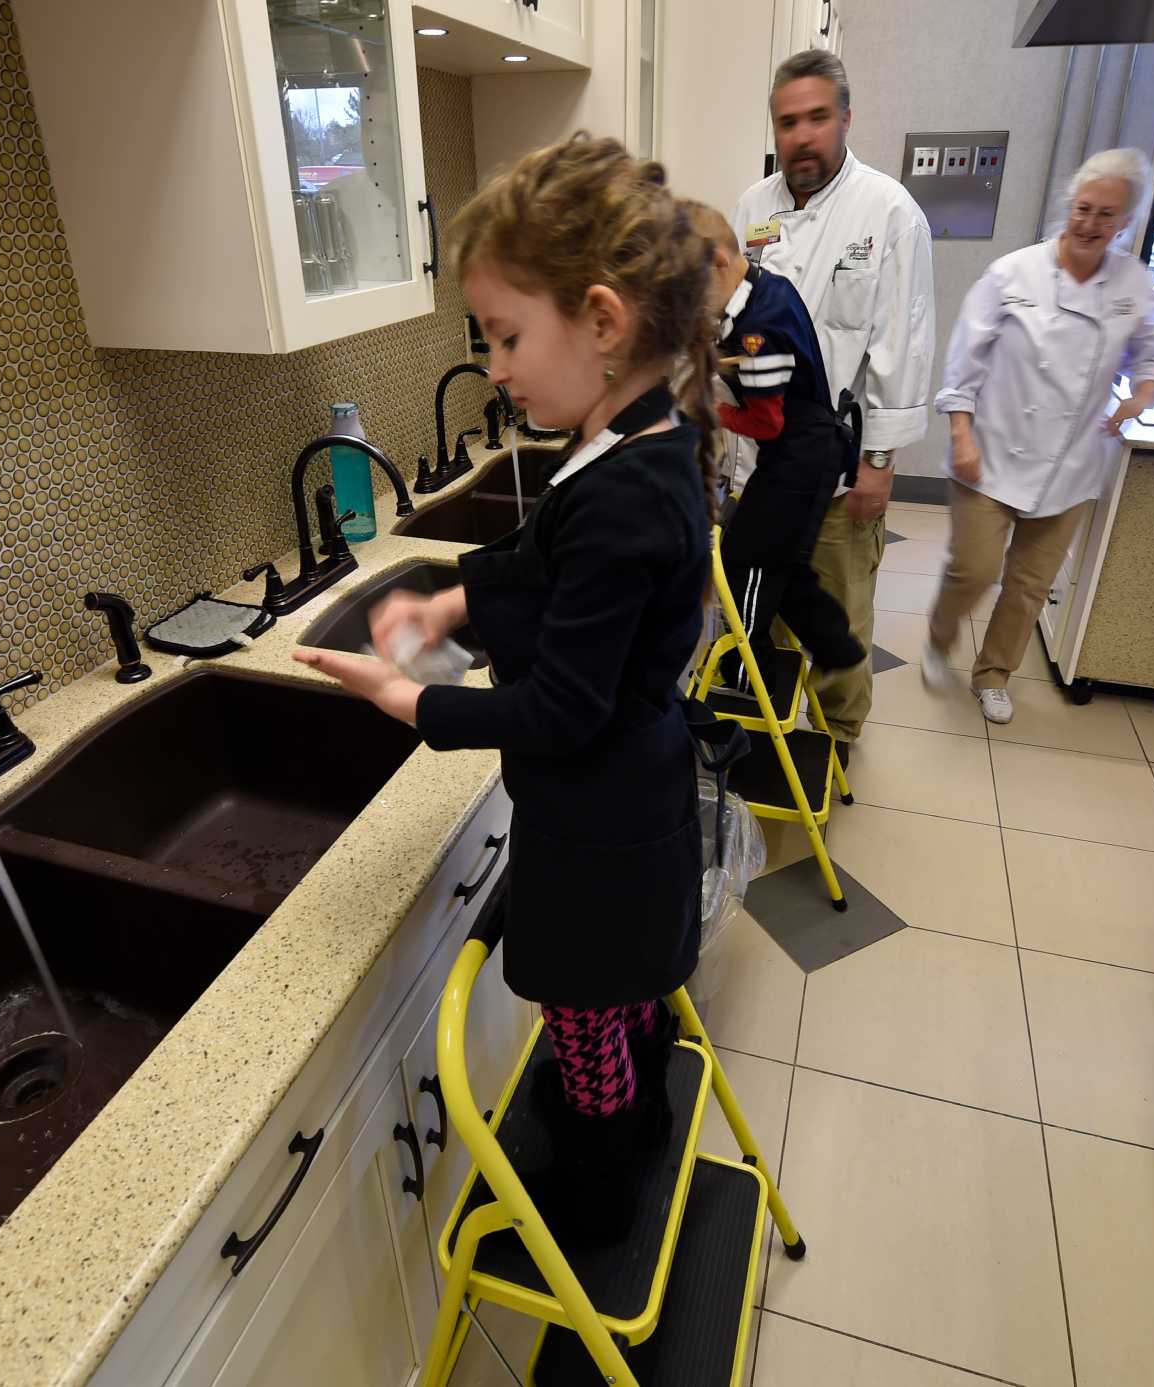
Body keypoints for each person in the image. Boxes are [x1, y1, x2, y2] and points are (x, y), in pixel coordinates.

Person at [293, 136, 718, 1245]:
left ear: (602, 320)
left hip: (604, 832)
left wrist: (408, 700)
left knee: (582, 1026)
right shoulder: (625, 444)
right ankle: (630, 1116)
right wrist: (447, 605)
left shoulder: (623, 492)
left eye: (506, 334)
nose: (493, 365)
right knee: (620, 1011)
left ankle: (599, 1194)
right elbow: (538, 563)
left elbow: (559, 712)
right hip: (627, 811)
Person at [921, 148, 1154, 725]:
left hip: (1072, 463)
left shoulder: (1132, 282)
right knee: (977, 569)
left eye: (1106, 215)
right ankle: (939, 640)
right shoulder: (1013, 273)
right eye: (1083, 209)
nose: (1090, 224)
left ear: (1125, 222)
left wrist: (1143, 393)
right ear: (1069, 205)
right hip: (989, 451)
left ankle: (994, 674)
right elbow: (963, 366)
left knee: (1029, 585)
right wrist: (961, 436)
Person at [732, 49, 934, 762]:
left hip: (841, 465)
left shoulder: (889, 213)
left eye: (818, 118)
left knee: (840, 607)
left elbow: (901, 347)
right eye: (789, 121)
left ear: (845, 118)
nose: (802, 135)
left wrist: (880, 463)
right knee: (774, 599)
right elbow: (737, 328)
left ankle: (840, 733)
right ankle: (778, 730)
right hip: (762, 462)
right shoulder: (753, 209)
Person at [688, 199, 863, 681]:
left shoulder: (758, 331)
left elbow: (767, 424)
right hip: (811, 448)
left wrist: (708, 410)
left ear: (720, 262)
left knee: (746, 559)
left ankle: (746, 673)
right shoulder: (768, 288)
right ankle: (838, 648)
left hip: (799, 455)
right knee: (787, 563)